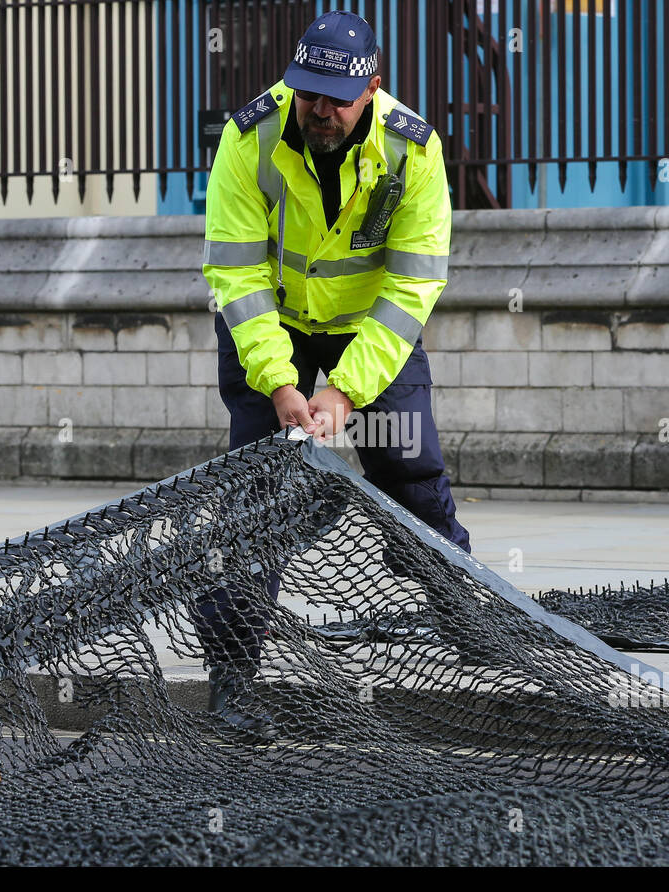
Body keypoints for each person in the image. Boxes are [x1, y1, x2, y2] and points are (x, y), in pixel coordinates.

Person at [198, 9, 470, 733]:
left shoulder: (413, 151)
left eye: (335, 98)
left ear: (373, 88)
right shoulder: (248, 135)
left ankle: (460, 602)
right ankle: (232, 679)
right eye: (308, 92)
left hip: (366, 329)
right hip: (275, 325)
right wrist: (282, 383)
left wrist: (345, 390)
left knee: (410, 469)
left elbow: (413, 285)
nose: (318, 110)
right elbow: (236, 272)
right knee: (256, 498)